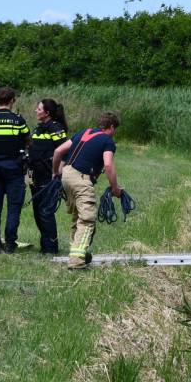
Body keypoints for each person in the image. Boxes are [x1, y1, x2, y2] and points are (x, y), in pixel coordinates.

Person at [52, 111, 124, 270]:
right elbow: (108, 164)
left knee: (78, 217)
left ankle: (77, 253)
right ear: (111, 127)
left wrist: (55, 173)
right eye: (115, 129)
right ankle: (77, 261)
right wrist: (115, 188)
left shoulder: (83, 133)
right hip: (82, 179)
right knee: (87, 220)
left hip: (66, 175)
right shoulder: (108, 141)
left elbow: (58, 152)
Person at [0, 87, 31, 254]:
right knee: (13, 207)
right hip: (13, 167)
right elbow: (27, 140)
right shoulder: (18, 120)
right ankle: (10, 244)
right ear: (12, 101)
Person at [28, 98, 68, 255]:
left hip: (49, 178)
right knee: (38, 212)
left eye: (38, 109)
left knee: (46, 212)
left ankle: (51, 248)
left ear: (47, 112)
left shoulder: (56, 128)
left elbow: (65, 151)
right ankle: (45, 246)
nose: (36, 111)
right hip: (35, 176)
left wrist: (57, 173)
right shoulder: (38, 129)